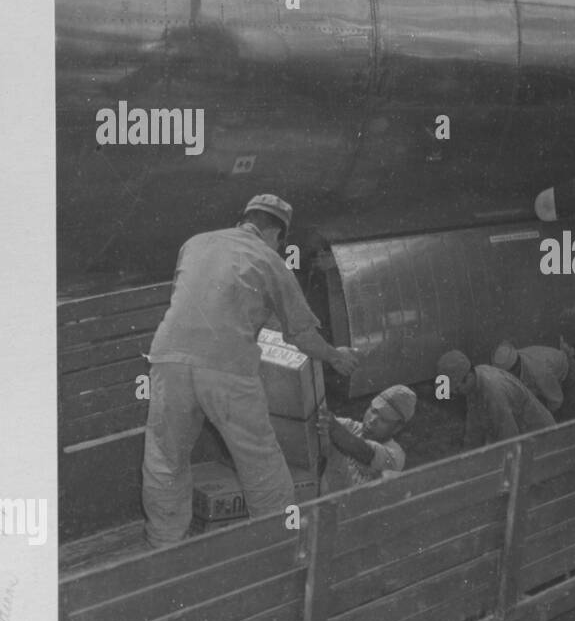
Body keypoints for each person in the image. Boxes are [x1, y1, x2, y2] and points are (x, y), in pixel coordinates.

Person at [141, 195, 360, 548]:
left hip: (168, 359)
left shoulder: (195, 243)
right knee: (261, 461)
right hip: (227, 368)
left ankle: (165, 549)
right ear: (275, 233)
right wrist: (335, 356)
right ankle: (279, 546)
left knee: (165, 458)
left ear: (244, 219)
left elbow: (200, 303)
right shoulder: (270, 260)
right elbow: (301, 334)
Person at [436, 349, 555, 448]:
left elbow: (509, 438)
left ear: (468, 377)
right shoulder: (475, 382)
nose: (457, 393)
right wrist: (468, 454)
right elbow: (474, 424)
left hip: (540, 437)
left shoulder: (493, 392)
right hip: (524, 434)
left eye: (456, 389)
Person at [320, 384, 417, 493]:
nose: (372, 420)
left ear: (397, 428)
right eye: (373, 411)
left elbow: (364, 452)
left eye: (384, 419)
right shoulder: (351, 427)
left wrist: (333, 428)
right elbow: (331, 423)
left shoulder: (396, 456)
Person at [492, 338, 575, 419]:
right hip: (552, 379)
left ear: (514, 369)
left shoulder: (539, 371)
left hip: (571, 377)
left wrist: (548, 419)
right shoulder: (514, 360)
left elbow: (556, 400)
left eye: (504, 373)